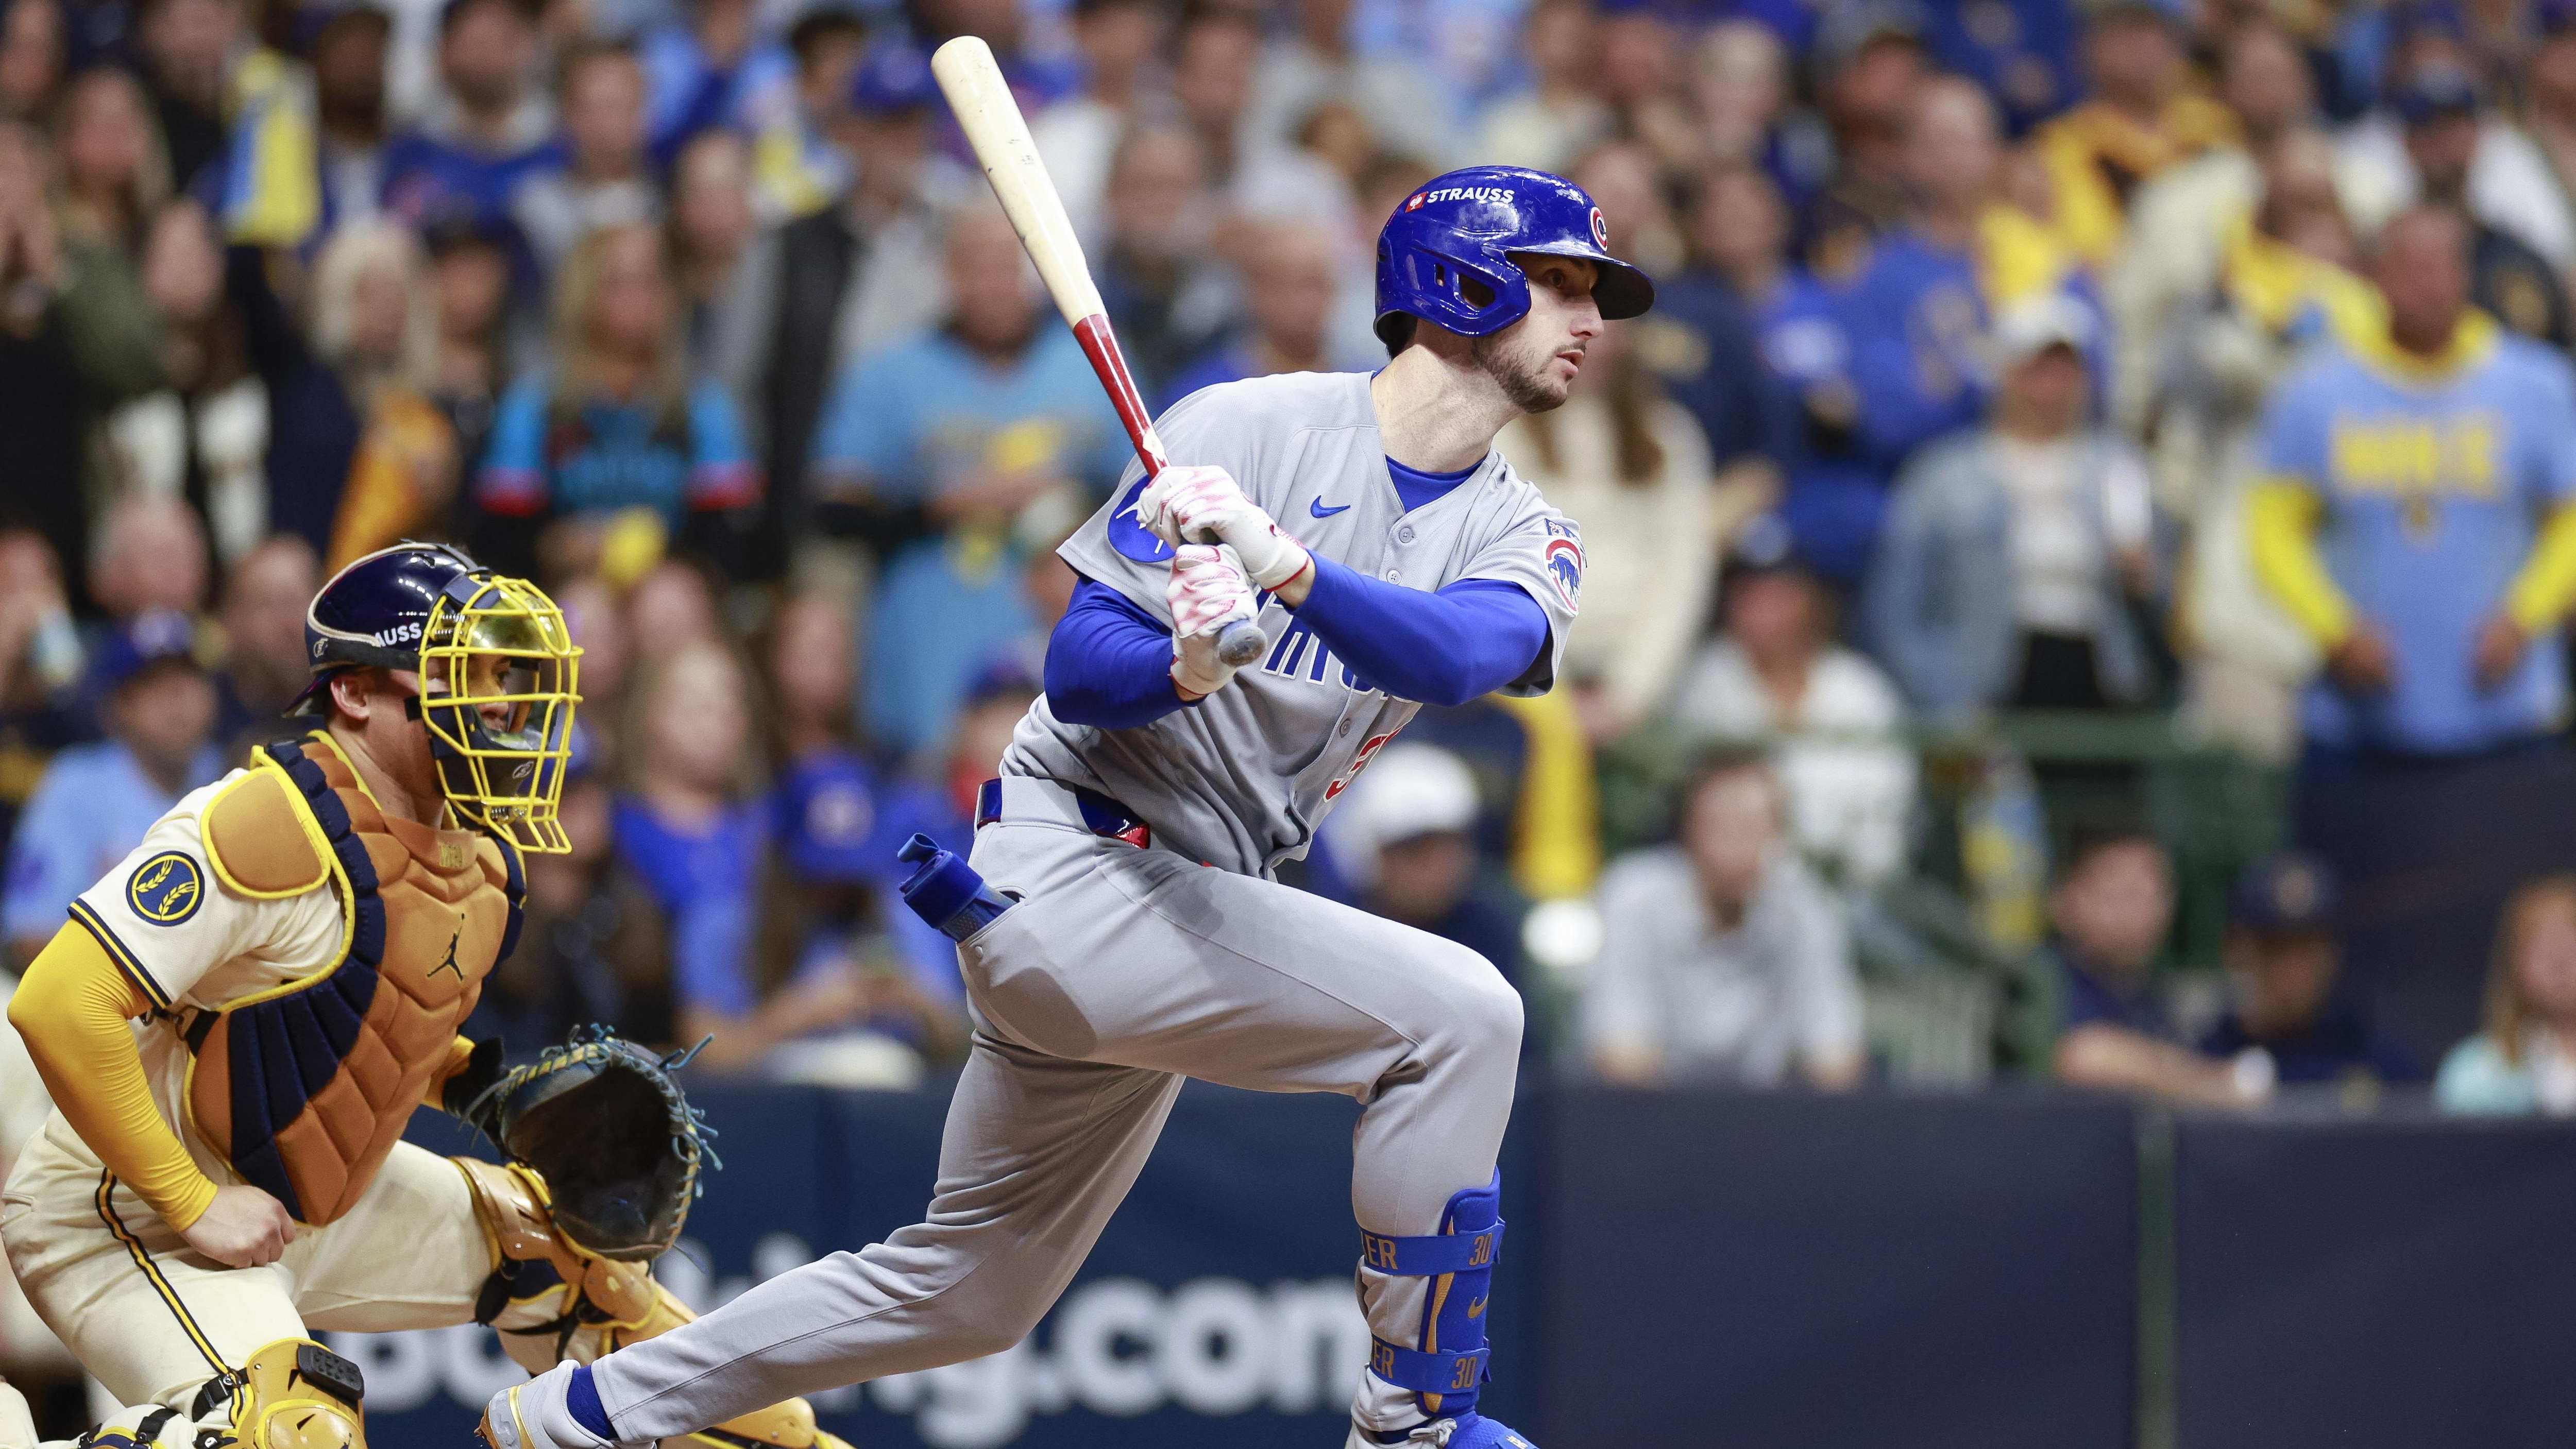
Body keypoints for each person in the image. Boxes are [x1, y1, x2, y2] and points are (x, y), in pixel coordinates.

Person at [480, 162, 1641, 1449]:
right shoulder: (1248, 426)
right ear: (1459, 282)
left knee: (968, 1288)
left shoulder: (1524, 528)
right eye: (1559, 282)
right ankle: (1412, 1422)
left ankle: (576, 1412)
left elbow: (1460, 655)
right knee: (1462, 1013)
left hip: (1189, 909)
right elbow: (1081, 669)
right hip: (1071, 865)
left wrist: (1286, 570)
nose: (1590, 318)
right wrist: (1184, 662)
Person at [1, 542, 850, 1449]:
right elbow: (58, 1002)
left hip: (301, 1195)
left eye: (500, 678)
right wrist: (192, 1201)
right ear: (357, 693)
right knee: (296, 1433)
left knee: (573, 1268)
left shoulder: (475, 853)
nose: (494, 707)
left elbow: (342, 1018)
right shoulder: (262, 821)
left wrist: (485, 1091)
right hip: (134, 1207)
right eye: (455, 678)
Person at [2249, 204, 2576, 778]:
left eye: (2439, 266)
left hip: (2507, 711)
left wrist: (2523, 616)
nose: (2424, 284)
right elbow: (2271, 529)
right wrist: (2333, 628)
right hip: (2357, 718)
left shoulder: (2536, 385)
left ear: (2465, 276)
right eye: (2405, 266)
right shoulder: (2314, 390)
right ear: (2373, 275)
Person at [807, 206, 1129, 754]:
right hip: (930, 634)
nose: (994, 285)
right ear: (948, 275)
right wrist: (938, 506)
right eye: (975, 267)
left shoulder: (1090, 363)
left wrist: (1069, 494)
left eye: (1007, 266)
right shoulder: (891, 372)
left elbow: (1150, 494)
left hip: (1064, 634)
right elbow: (835, 511)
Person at [1866, 295, 2162, 724]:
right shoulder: (1944, 476)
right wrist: (1941, 701)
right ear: (2005, 375)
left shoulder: (2117, 468)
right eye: (2036, 370)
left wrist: (2146, 579)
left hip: (2102, 680)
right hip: (1987, 685)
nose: (2052, 387)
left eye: (2066, 370)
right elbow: (1899, 606)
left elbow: (2164, 603)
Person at [471, 221, 761, 578]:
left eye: (651, 283)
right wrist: (556, 546)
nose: (639, 300)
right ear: (584, 295)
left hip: (672, 585)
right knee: (587, 611)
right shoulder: (536, 404)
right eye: (619, 284)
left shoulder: (703, 404)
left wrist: (659, 551)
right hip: (563, 588)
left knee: (666, 600)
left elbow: (731, 539)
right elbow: (502, 539)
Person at [1581, 749, 1865, 1089]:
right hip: (1647, 1123)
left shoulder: (1807, 909)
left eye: (1757, 827)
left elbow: (1836, 1060)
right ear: (1687, 830)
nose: (1741, 847)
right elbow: (1619, 1055)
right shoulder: (1632, 896)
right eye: (1723, 826)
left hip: (1769, 1127)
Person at [1496, 317, 1717, 737]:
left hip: (1640, 696)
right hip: (1522, 694)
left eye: (1611, 322)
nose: (1594, 337)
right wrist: (1547, 697)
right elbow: (1497, 572)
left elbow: (1682, 574)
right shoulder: (1501, 428)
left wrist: (1628, 694)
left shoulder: (1669, 434)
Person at [1669, 516, 1914, 889]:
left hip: (1851, 892)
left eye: (1777, 593)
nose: (1759, 609)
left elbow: (1887, 819)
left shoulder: (1860, 689)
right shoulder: (1702, 683)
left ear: (1810, 600)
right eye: (1746, 593)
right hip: (1730, 892)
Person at [1, 610, 220, 965]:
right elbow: (29, 934)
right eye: (153, 685)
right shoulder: (76, 783)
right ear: (117, 709)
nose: (177, 699)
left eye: (188, 680)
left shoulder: (235, 773)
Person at [2043, 829, 2257, 1104]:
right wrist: (2208, 1083)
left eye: (2152, 894)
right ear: (2066, 898)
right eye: (2123, 894)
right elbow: (2083, 1057)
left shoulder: (2153, 994)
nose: (2141, 912)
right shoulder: (2043, 977)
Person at [2032, 0, 2239, 267]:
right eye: (2121, 28)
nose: (2139, 44)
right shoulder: (2062, 147)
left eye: (2152, 29)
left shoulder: (2216, 127)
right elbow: (2090, 252)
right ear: (2090, 46)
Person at [1315, 741, 1527, 1001]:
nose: (1439, 866)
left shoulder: (1490, 934)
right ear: (1375, 855)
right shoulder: (1333, 934)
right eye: (1416, 851)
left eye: (1450, 846)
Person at [2200, 852, 2424, 1089]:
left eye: (2308, 948)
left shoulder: (2374, 1055)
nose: (2293, 968)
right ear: (2238, 949)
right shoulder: (2208, 1063)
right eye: (2275, 948)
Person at [512, 40, 658, 279]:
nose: (605, 124)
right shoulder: (533, 213)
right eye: (591, 108)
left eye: (618, 107)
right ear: (566, 117)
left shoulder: (670, 203)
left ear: (644, 116)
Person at [2436, 875, 2576, 1113]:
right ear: (2513, 963)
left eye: (2571, 942)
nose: (2559, 962)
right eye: (2542, 947)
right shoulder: (2474, 1076)